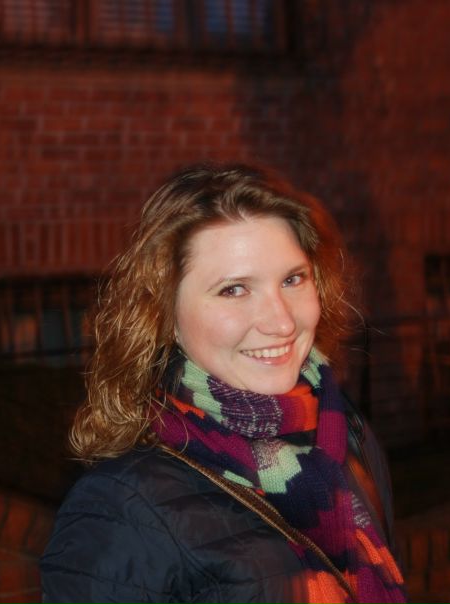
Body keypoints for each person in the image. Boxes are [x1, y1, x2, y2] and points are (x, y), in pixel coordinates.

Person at [40, 163, 407, 604]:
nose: (282, 321)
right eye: (234, 290)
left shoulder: (347, 432)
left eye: (293, 279)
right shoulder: (121, 508)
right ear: (165, 315)